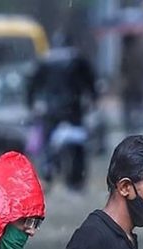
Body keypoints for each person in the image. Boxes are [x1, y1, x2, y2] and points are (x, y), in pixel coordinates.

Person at [26, 36, 97, 186]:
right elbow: (90, 82)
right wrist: (92, 99)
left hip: (51, 108)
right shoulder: (77, 59)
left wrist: (31, 103)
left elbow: (32, 84)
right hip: (73, 107)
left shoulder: (45, 60)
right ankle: (76, 178)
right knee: (77, 142)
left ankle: (49, 171)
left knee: (49, 142)